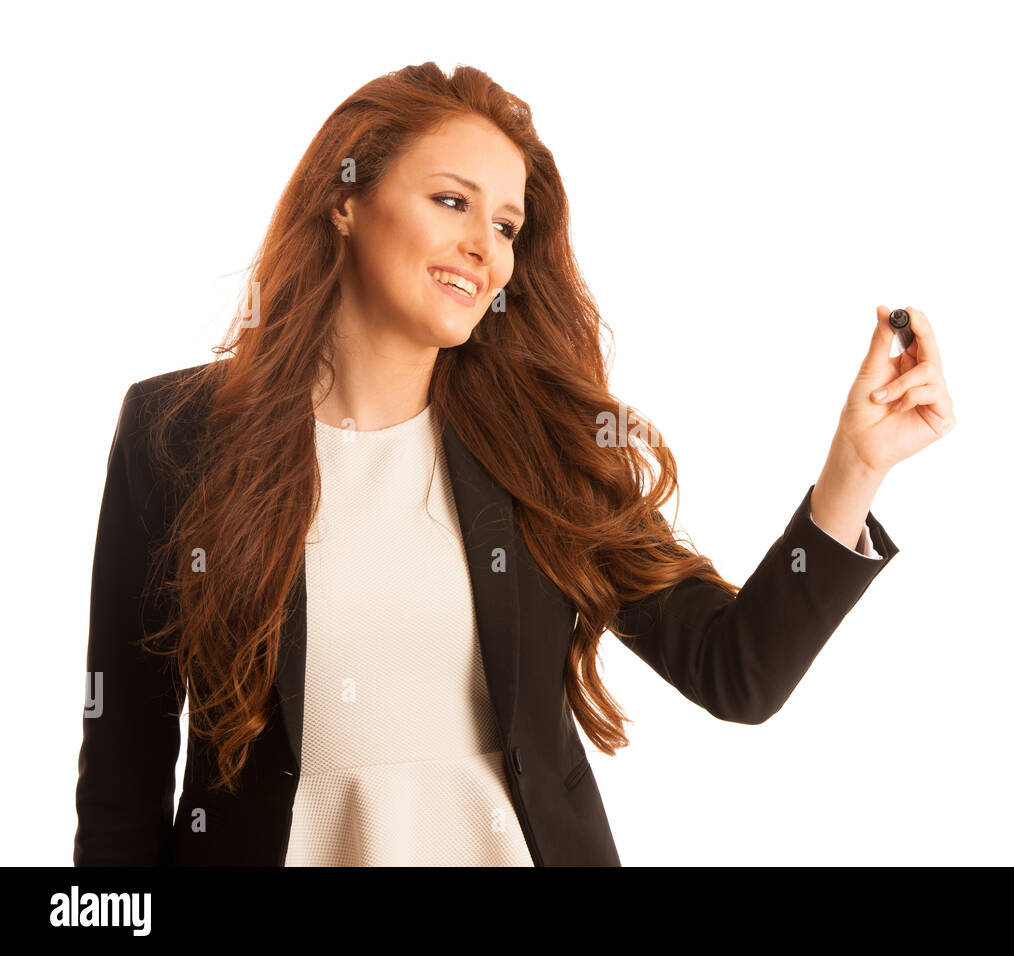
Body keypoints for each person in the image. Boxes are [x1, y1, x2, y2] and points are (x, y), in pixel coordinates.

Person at [74, 61, 955, 867]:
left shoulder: (536, 448)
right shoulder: (178, 431)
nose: (485, 248)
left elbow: (739, 671)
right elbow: (122, 773)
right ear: (345, 199)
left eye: (505, 226)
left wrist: (857, 467)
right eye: (452, 203)